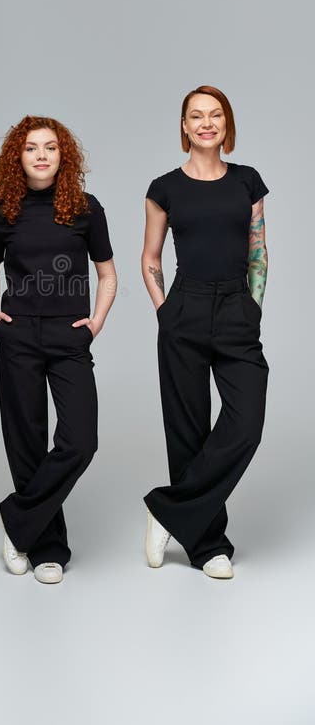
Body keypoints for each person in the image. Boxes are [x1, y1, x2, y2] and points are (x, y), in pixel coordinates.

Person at [0, 115, 117, 584]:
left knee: (81, 439)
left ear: (64, 156)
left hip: (68, 335)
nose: (41, 154)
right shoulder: (1, 212)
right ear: (17, 157)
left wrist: (94, 322)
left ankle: (17, 520)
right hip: (18, 336)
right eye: (32, 147)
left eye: (51, 147)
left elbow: (107, 273)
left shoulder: (86, 209)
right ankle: (46, 547)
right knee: (26, 440)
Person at [141, 86, 269, 579]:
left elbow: (258, 251)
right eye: (196, 116)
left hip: (237, 307)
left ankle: (166, 508)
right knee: (188, 431)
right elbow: (150, 258)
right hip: (184, 307)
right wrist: (165, 311)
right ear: (184, 127)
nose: (206, 123)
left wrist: (252, 308)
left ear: (226, 124)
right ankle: (207, 544)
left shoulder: (248, 182)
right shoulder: (164, 188)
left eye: (215, 115)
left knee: (246, 422)